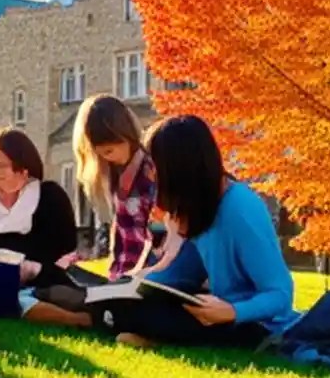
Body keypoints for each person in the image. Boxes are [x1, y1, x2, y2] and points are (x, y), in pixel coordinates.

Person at [97, 115, 298, 348]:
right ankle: (140, 329)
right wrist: (134, 284)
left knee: (141, 317)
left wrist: (232, 311)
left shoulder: (240, 208)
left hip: (251, 322)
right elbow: (178, 275)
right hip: (210, 309)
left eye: (155, 167)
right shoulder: (197, 208)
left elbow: (281, 295)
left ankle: (150, 335)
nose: (151, 176)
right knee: (122, 304)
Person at [0, 127, 89, 326]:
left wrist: (33, 270)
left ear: (24, 168)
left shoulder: (51, 196)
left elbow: (64, 254)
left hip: (45, 280)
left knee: (43, 295)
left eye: (4, 166)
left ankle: (74, 317)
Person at [72, 95, 172, 280]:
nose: (109, 158)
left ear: (125, 134)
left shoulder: (150, 169)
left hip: (151, 272)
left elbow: (160, 229)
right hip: (124, 272)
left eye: (109, 151)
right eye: (101, 155)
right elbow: (121, 231)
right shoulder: (118, 174)